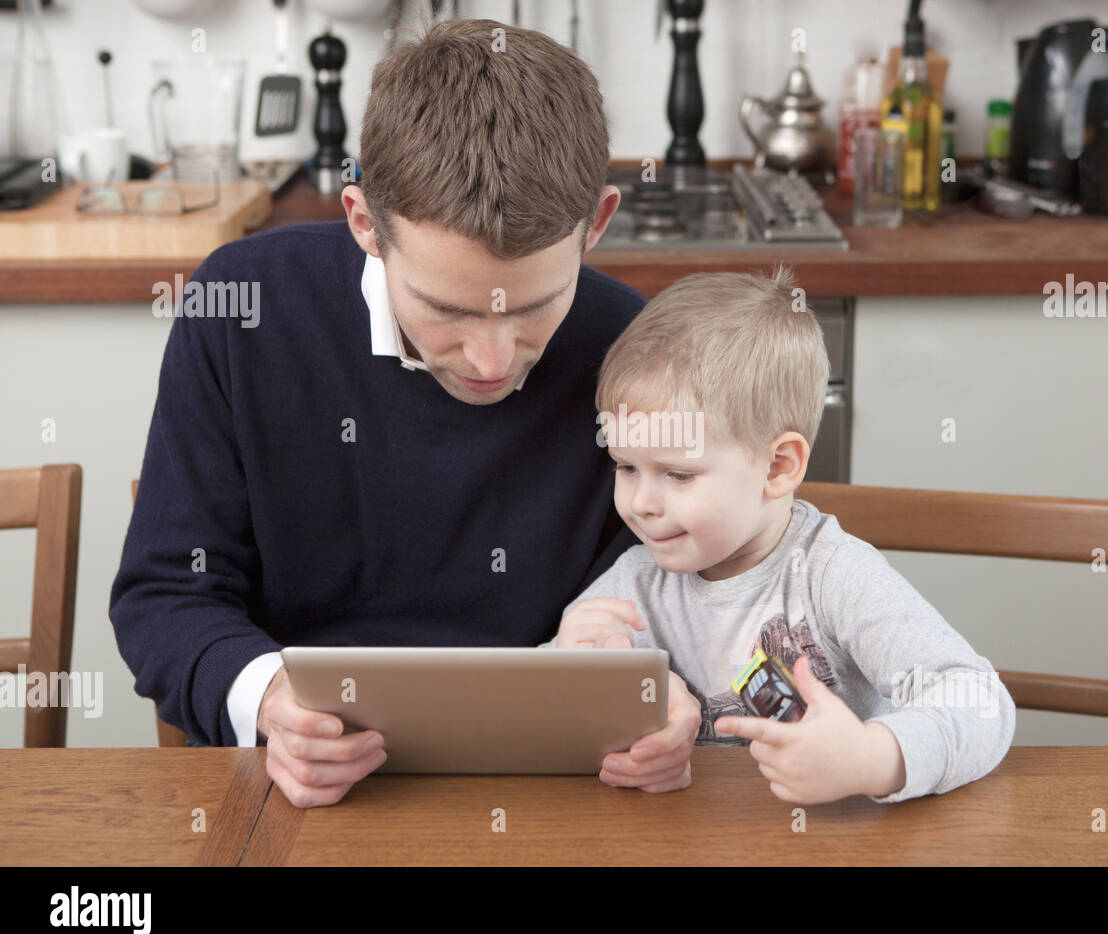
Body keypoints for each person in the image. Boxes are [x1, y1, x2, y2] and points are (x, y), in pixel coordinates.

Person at [110, 20, 700, 809]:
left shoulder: (637, 347)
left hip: (570, 803)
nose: (492, 361)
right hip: (297, 805)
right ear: (364, 223)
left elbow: (699, 597)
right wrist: (271, 702)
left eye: (534, 307)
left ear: (596, 224)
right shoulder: (240, 308)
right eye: (446, 308)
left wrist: (679, 698)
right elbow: (166, 594)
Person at [547, 265, 1016, 803]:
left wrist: (872, 759)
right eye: (625, 467)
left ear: (777, 467)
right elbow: (517, 714)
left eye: (677, 474)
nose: (639, 504)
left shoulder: (834, 575)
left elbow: (979, 702)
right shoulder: (635, 582)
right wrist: (568, 665)